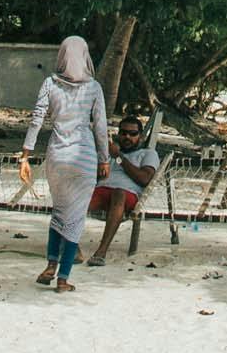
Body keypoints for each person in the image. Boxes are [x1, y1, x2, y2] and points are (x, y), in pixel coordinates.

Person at [20, 34, 110, 291]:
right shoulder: (94, 87)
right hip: (84, 158)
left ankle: (50, 264)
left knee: (59, 212)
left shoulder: (50, 83)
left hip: (57, 157)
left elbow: (36, 120)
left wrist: (25, 155)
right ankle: (63, 278)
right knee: (76, 218)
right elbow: (100, 127)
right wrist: (104, 159)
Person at [84, 112, 164, 262]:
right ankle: (71, 246)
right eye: (123, 133)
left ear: (140, 137)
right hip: (101, 191)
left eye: (132, 134)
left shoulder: (147, 154)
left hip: (127, 196)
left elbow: (144, 179)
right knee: (74, 197)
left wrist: (119, 157)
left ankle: (101, 251)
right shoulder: (108, 152)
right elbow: (92, 176)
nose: (127, 137)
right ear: (118, 134)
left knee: (119, 193)